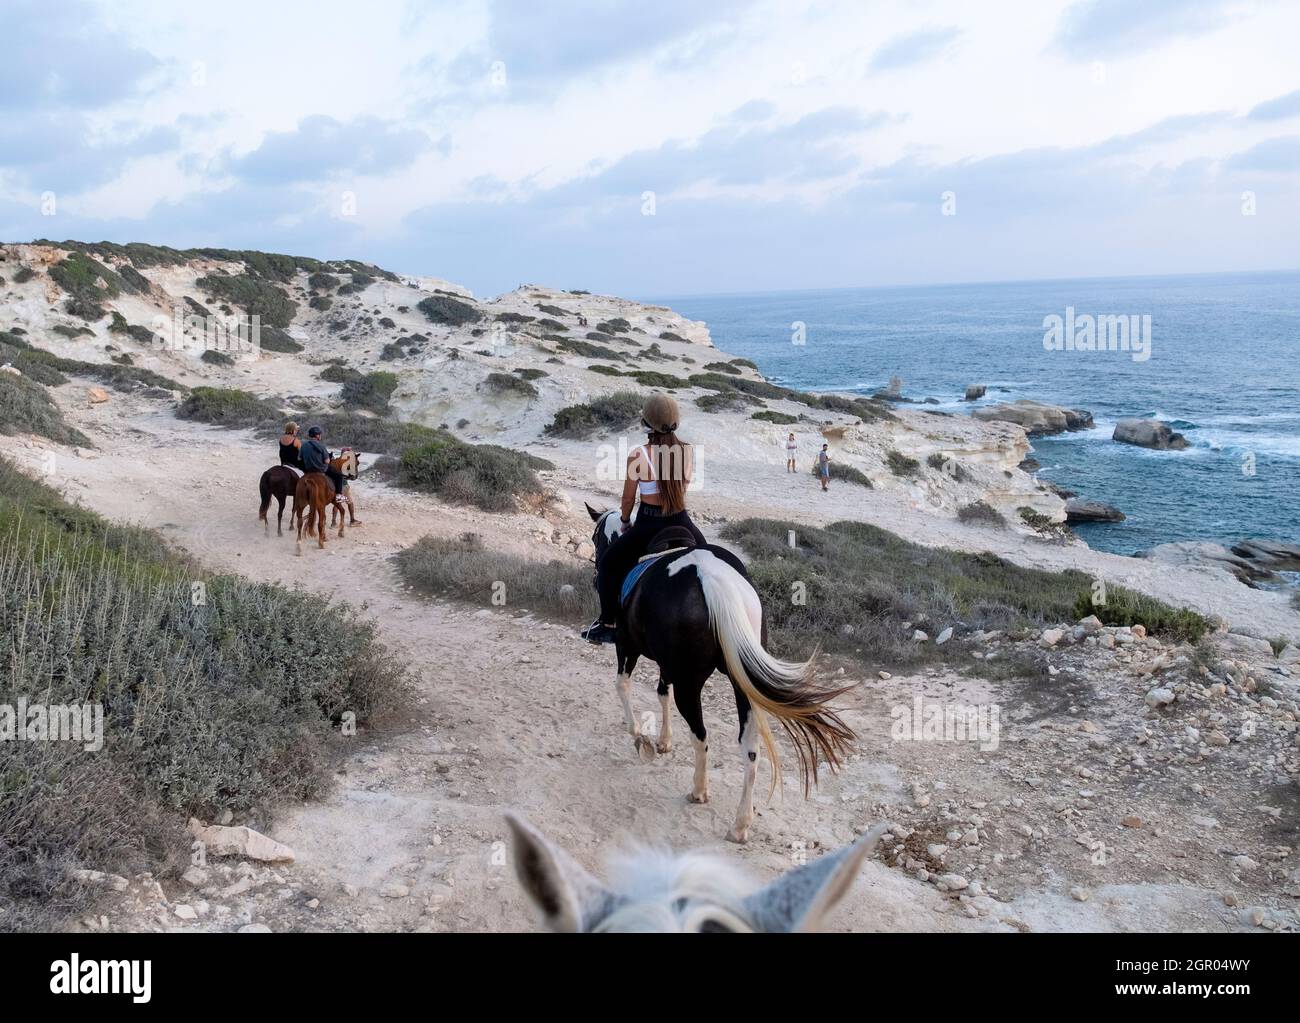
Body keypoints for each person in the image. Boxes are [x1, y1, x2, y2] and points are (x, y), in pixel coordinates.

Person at [582, 394, 707, 645]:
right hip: (681, 521)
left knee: (607, 566)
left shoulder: (638, 455)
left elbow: (627, 500)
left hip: (649, 525)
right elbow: (683, 486)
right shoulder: (687, 451)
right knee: (710, 556)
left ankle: (607, 624)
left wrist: (626, 522)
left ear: (646, 423)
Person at [300, 425, 348, 507]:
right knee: (339, 476)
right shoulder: (321, 446)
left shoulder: (303, 445)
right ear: (317, 435)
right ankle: (339, 496)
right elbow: (327, 461)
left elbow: (300, 457)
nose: (320, 436)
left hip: (308, 470)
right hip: (321, 470)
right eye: (319, 434)